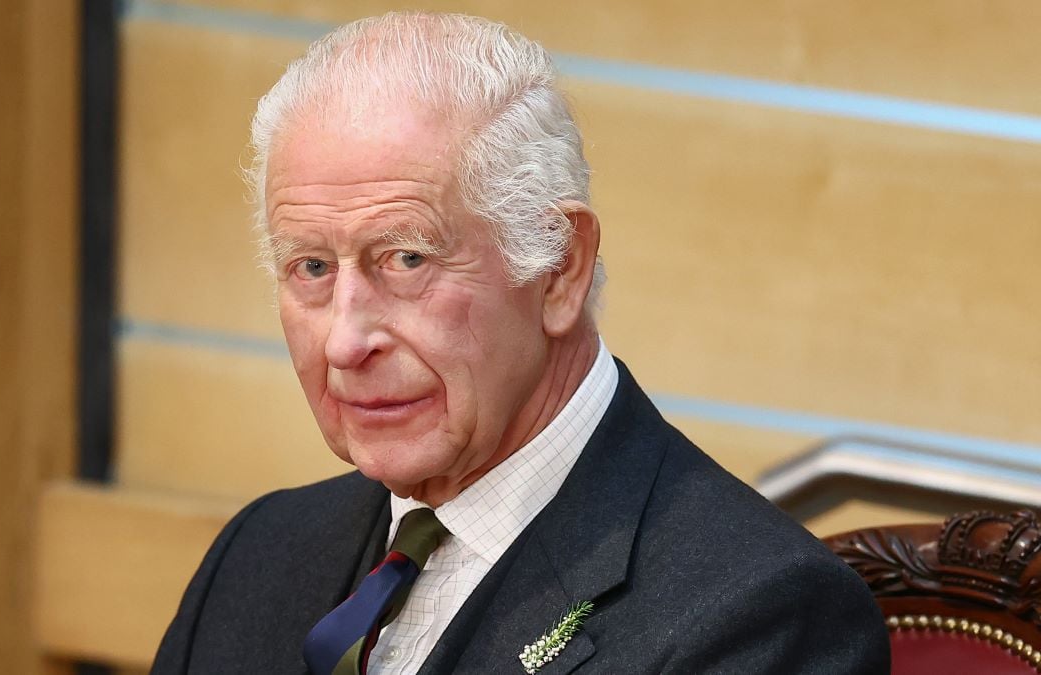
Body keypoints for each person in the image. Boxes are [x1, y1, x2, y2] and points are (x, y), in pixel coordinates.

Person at [152, 12, 889, 674]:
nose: (345, 340)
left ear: (560, 268)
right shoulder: (257, 553)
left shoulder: (759, 613)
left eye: (406, 259)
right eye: (312, 267)